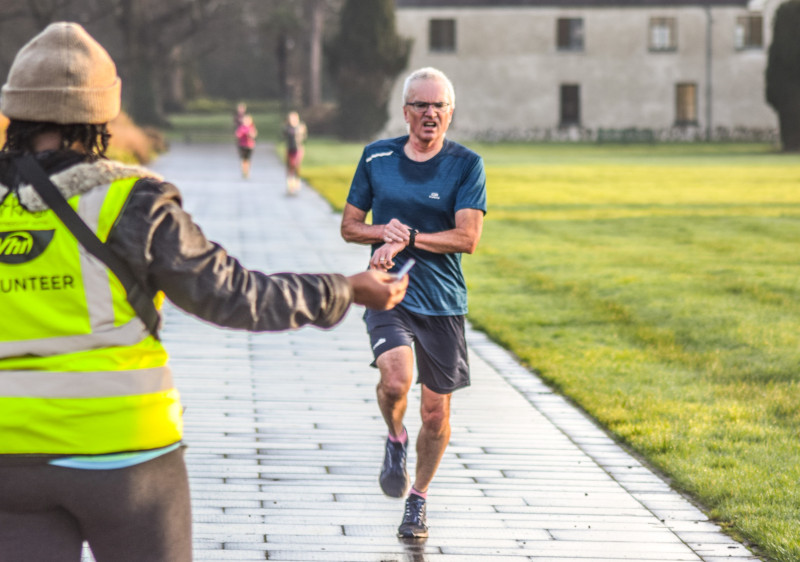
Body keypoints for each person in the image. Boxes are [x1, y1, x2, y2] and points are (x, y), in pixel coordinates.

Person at [0, 22, 408, 562]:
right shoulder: (131, 202)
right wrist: (345, 290)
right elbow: (234, 294)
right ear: (102, 115)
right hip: (125, 457)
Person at [340, 67, 487, 539]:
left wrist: (412, 237)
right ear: (405, 112)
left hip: (443, 302)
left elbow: (467, 237)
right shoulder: (375, 157)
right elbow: (349, 226)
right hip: (389, 292)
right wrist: (386, 231)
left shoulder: (466, 164)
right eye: (420, 105)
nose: (430, 113)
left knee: (436, 413)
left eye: (438, 105)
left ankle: (418, 499)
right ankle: (394, 438)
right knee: (396, 381)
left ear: (450, 113)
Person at [282, 110, 307, 195]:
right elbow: (284, 135)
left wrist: (300, 131)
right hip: (290, 149)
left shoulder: (301, 127)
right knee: (290, 166)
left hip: (298, 148)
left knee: (297, 165)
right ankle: (290, 184)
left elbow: (304, 137)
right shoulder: (287, 127)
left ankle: (297, 180)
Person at [235, 113, 257, 178]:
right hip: (242, 145)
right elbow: (237, 135)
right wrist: (240, 134)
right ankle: (243, 170)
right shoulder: (241, 127)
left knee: (248, 159)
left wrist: (250, 134)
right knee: (243, 159)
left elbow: (254, 135)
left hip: (249, 145)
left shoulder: (252, 127)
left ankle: (247, 171)